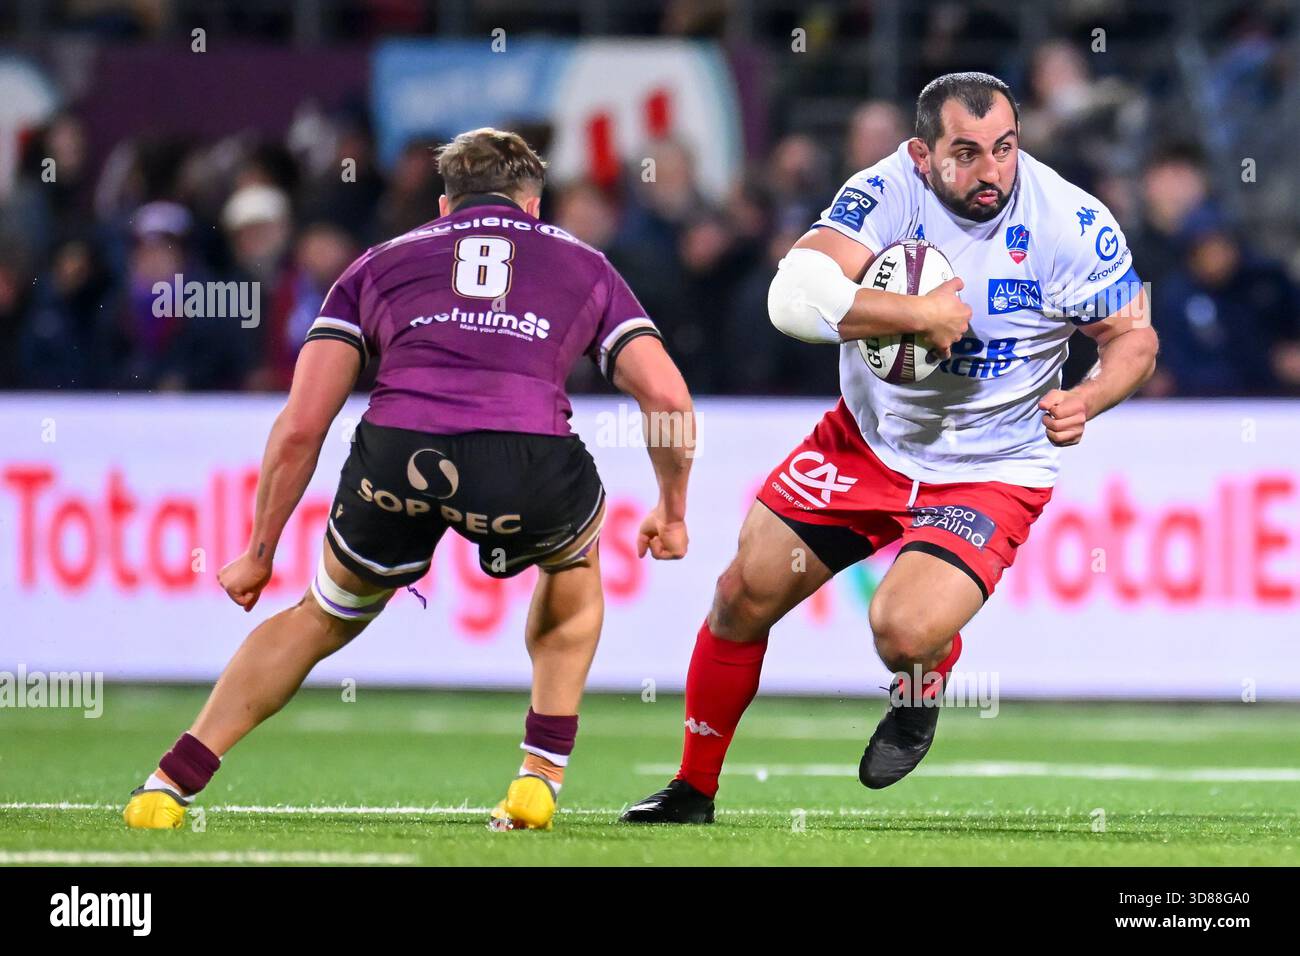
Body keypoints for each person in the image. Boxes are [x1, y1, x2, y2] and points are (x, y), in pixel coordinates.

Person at [123, 128, 694, 832]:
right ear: (534, 203)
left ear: (444, 203)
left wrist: (259, 550)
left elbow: (303, 423)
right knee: (572, 561)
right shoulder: (586, 264)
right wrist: (672, 508)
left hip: (397, 455)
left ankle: (166, 783)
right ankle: (538, 776)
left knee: (323, 613)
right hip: (526, 457)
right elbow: (668, 400)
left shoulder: (376, 263)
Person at [623, 72, 1158, 824]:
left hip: (989, 470)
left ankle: (924, 680)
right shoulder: (884, 191)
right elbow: (792, 298)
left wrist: (1089, 397)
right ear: (921, 153)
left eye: (1004, 148)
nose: (991, 172)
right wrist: (914, 314)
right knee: (740, 594)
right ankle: (693, 790)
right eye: (965, 154)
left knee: (902, 630)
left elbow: (1135, 337)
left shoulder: (1069, 219)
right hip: (866, 446)